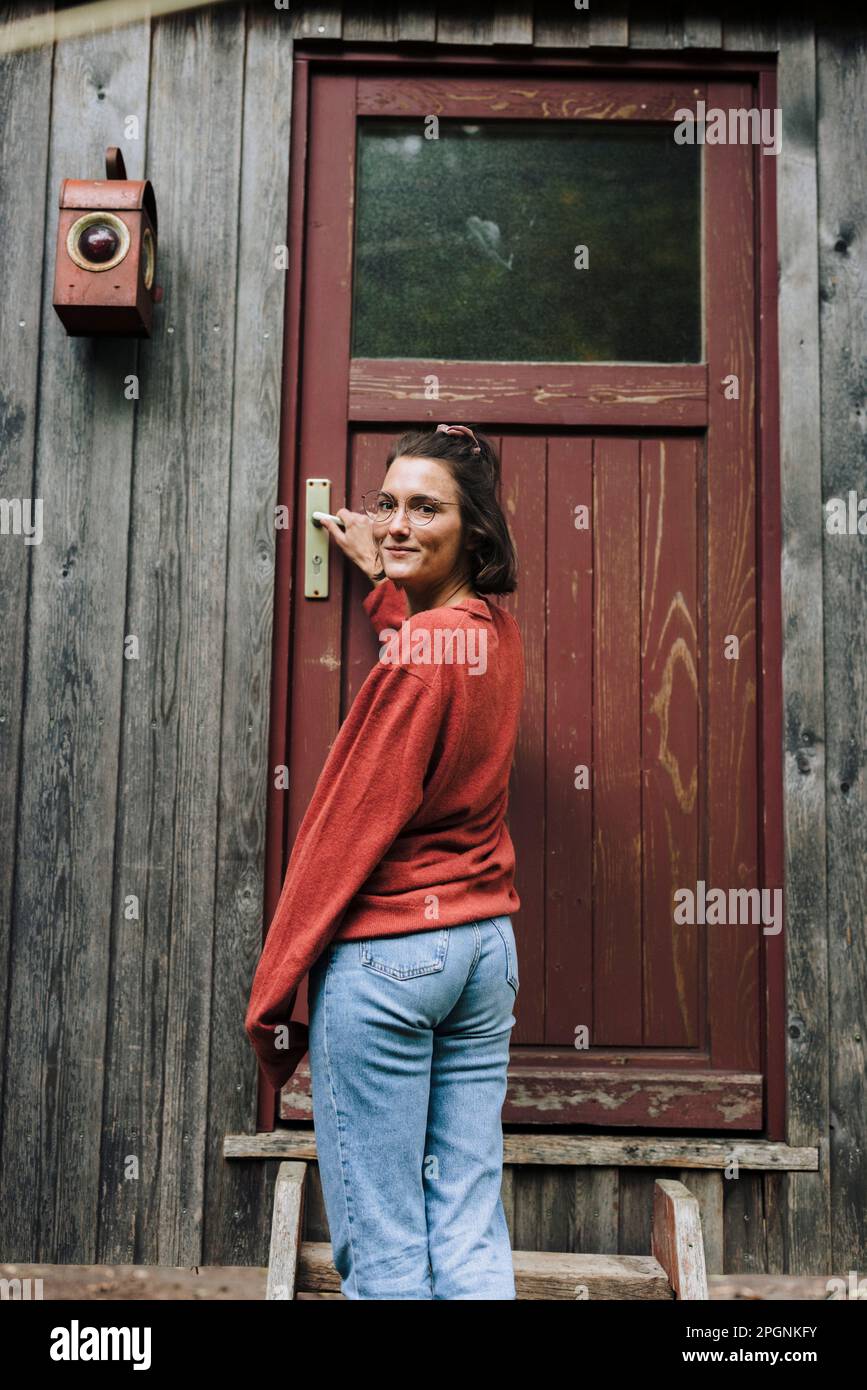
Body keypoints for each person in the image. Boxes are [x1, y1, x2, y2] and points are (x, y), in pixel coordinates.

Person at [245, 423, 525, 1299]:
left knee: (385, 1243)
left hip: (390, 959)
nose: (397, 523)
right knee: (467, 1218)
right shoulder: (488, 634)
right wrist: (386, 579)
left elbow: (343, 835)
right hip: (482, 953)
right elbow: (425, 650)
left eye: (425, 509)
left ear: (474, 532)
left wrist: (278, 985)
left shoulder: (414, 674)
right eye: (387, 504)